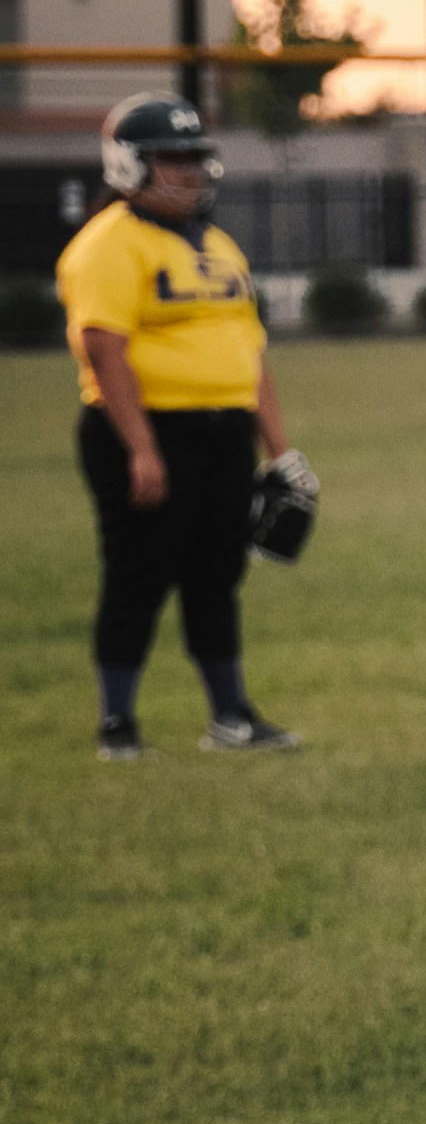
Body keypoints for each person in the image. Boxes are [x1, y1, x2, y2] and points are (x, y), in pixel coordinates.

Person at [58, 92, 312, 759]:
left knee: (214, 576)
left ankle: (231, 716)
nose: (190, 173)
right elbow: (102, 347)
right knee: (138, 573)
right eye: (172, 160)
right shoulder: (109, 243)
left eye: (195, 158)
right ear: (128, 165)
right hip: (146, 432)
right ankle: (118, 723)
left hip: (223, 432)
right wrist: (140, 448)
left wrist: (278, 452)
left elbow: (248, 352)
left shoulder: (220, 245)